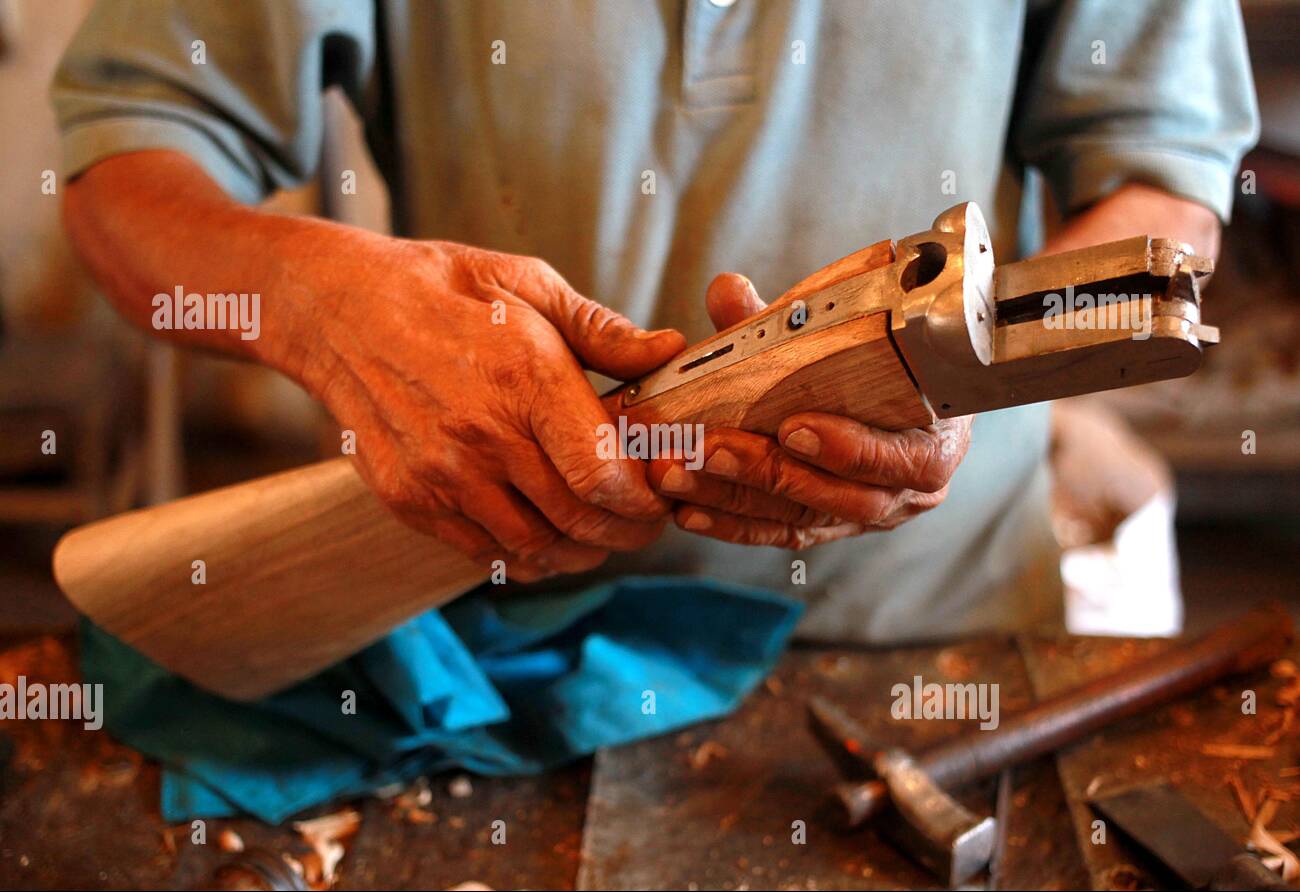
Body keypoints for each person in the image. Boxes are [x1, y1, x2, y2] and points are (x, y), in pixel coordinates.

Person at [51, 0, 1257, 646]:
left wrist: (954, 371)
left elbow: (1164, 183)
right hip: (486, 628)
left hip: (930, 634)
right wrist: (325, 304)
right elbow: (125, 166)